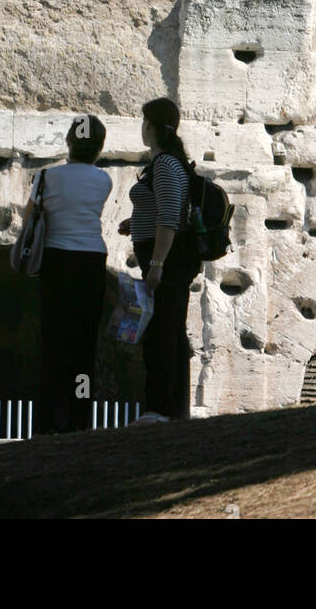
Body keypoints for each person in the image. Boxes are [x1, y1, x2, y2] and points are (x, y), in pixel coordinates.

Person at [20, 114, 112, 434]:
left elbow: (29, 217)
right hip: (91, 261)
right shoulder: (104, 180)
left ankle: (49, 420)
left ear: (69, 142)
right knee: (83, 346)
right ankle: (79, 418)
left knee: (54, 343)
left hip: (57, 261)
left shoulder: (47, 178)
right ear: (99, 147)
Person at [119, 98, 199, 423]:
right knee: (171, 331)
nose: (142, 127)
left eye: (143, 122)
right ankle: (172, 409)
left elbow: (168, 218)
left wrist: (157, 265)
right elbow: (163, 209)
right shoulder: (169, 162)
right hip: (168, 259)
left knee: (161, 334)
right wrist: (134, 222)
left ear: (150, 126)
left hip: (167, 262)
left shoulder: (165, 164)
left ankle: (158, 409)